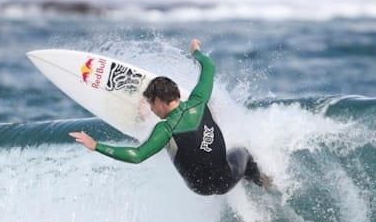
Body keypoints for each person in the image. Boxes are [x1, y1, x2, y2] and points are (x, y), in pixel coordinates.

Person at [70, 39, 271, 195]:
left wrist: (96, 145)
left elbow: (137, 155)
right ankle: (263, 183)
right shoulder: (199, 101)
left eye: (150, 104)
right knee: (241, 151)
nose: (152, 110)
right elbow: (209, 67)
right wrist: (196, 51)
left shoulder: (165, 130)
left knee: (169, 143)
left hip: (200, 188)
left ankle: (146, 122)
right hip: (227, 178)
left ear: (159, 100)